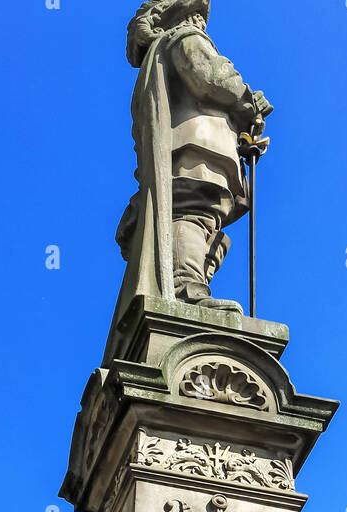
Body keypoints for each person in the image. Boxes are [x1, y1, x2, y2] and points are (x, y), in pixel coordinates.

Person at [106, 0, 272, 357]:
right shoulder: (184, 37)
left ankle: (192, 281)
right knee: (192, 213)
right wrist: (247, 99)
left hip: (195, 150)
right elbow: (210, 77)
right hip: (195, 149)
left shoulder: (160, 54)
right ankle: (185, 287)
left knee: (205, 224)